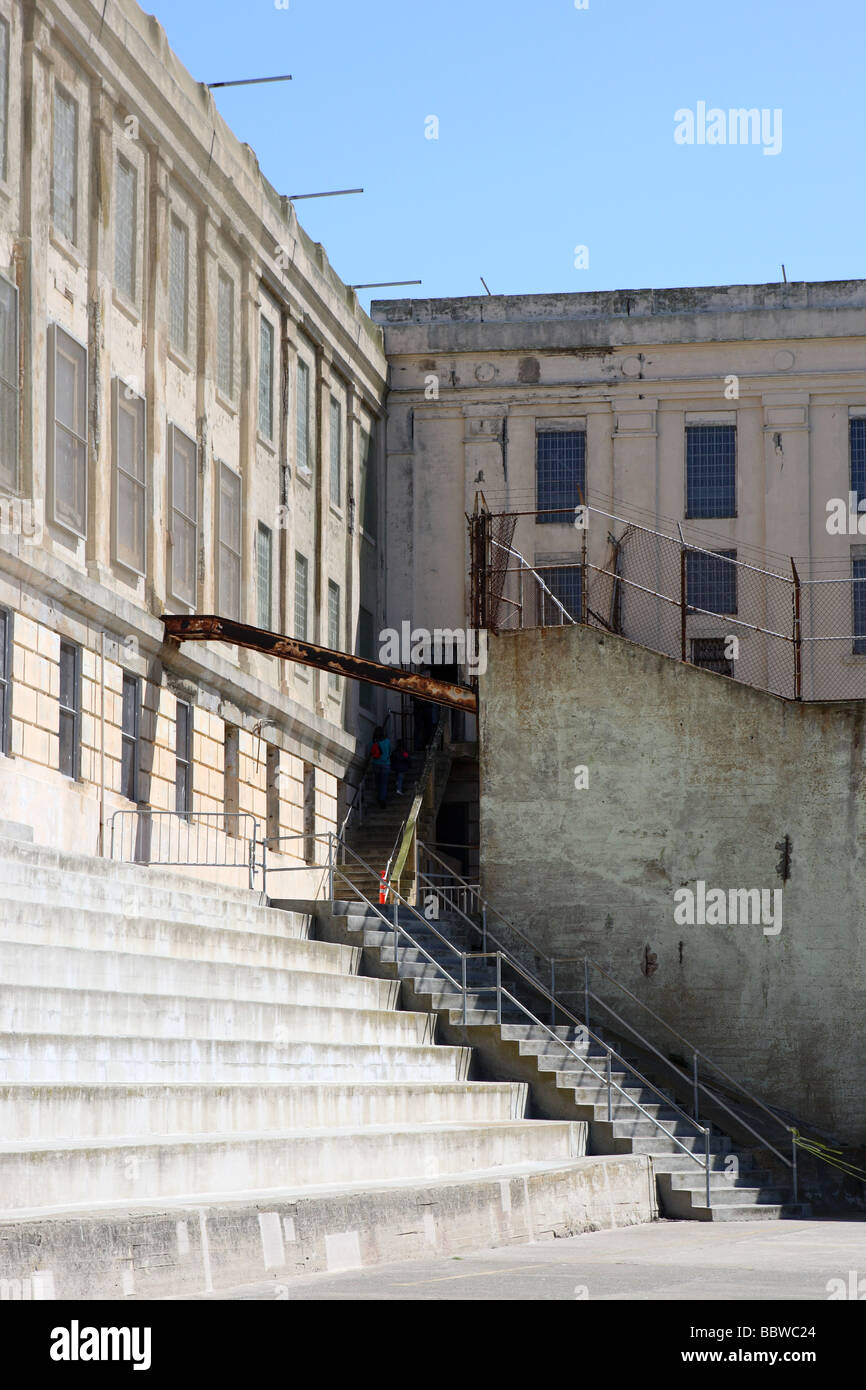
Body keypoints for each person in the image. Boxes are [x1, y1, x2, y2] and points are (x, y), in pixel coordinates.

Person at [371, 726, 391, 807]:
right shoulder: (387, 741)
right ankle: (382, 799)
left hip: (376, 764)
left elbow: (371, 752)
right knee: (384, 783)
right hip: (386, 764)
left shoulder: (374, 742)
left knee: (378, 782)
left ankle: (379, 797)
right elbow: (390, 752)